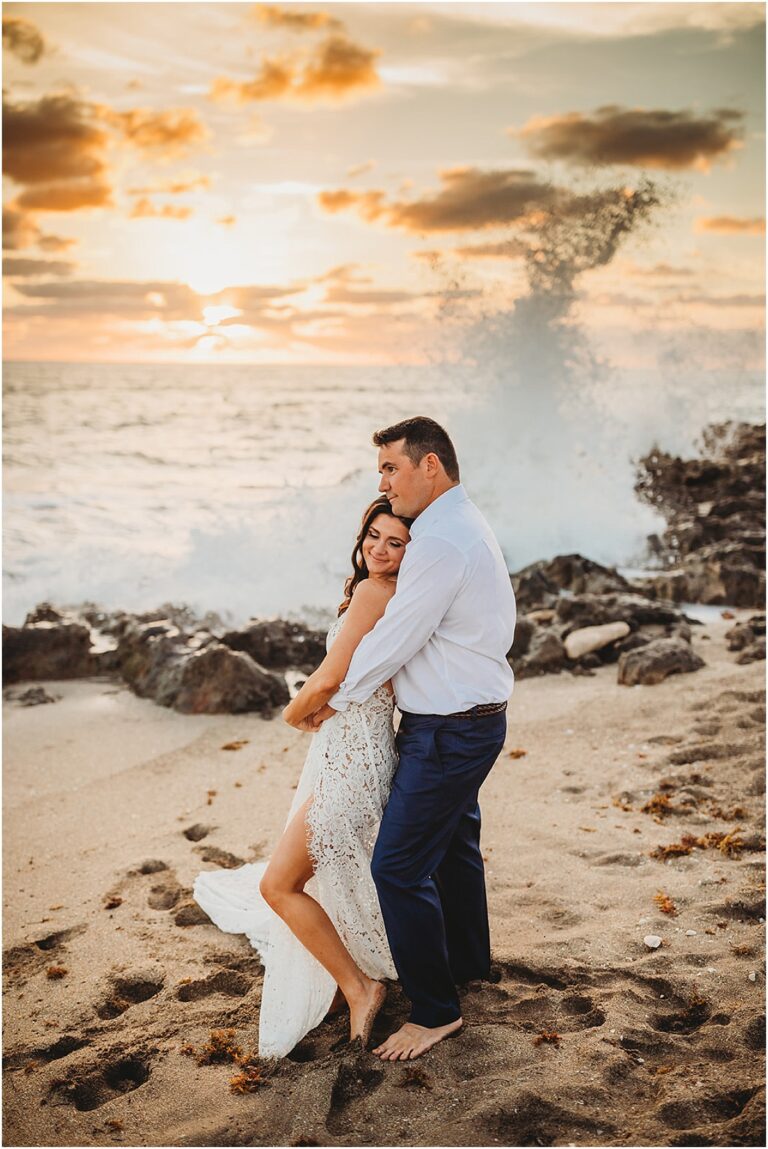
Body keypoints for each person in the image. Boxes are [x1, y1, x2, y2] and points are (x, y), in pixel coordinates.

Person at [306, 416, 517, 1061]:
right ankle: (469, 963)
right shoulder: (453, 524)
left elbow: (400, 636)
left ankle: (435, 1010)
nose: (383, 482)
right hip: (466, 719)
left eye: (391, 468)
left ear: (430, 465)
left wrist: (333, 700)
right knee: (454, 847)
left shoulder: (442, 541)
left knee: (397, 867)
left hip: (452, 730)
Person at [193, 495, 413, 1058]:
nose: (380, 550)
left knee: (278, 885)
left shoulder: (371, 592)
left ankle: (360, 987)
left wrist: (294, 714)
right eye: (374, 536)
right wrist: (328, 706)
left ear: (412, 550)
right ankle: (354, 974)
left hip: (351, 761)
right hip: (366, 751)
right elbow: (355, 679)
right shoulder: (403, 596)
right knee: (327, 874)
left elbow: (326, 679)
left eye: (396, 542)